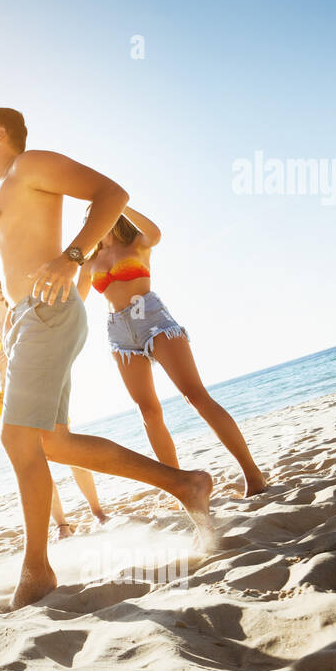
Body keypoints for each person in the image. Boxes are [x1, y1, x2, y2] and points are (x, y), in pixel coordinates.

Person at [0, 108, 218, 609]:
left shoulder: (29, 165)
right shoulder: (0, 192)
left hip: (50, 312)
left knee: (16, 437)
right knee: (52, 443)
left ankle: (37, 570)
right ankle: (185, 484)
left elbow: (113, 195)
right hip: (27, 318)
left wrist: (73, 256)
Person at [76, 206, 267, 496]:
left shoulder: (137, 244)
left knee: (195, 395)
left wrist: (118, 202)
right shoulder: (90, 262)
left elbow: (155, 233)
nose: (97, 220)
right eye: (91, 217)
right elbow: (76, 299)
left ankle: (253, 475)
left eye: (101, 212)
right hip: (118, 331)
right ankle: (181, 488)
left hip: (151, 319)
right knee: (148, 411)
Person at [0, 279, 106, 536]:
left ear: (3, 292)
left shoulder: (21, 314)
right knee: (34, 461)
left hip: (37, 388)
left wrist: (11, 355)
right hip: (7, 397)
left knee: (68, 447)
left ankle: (98, 512)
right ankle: (61, 525)